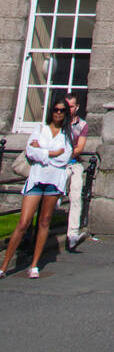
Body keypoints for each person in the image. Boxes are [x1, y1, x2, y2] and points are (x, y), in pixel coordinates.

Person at [1, 98, 74, 279]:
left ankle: (34, 265)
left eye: (62, 111)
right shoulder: (40, 130)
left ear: (66, 114)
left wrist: (42, 151)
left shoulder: (66, 135)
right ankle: (4, 267)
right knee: (24, 222)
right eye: (56, 110)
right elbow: (30, 152)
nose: (58, 113)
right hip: (36, 180)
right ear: (51, 111)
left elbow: (64, 159)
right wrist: (51, 153)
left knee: (44, 221)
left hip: (53, 182)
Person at [64, 94, 89, 251]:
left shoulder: (82, 125)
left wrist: (62, 154)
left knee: (76, 195)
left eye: (71, 106)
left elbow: (80, 148)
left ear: (77, 107)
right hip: (58, 165)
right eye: (66, 106)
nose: (69, 109)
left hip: (73, 163)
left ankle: (72, 234)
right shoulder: (58, 122)